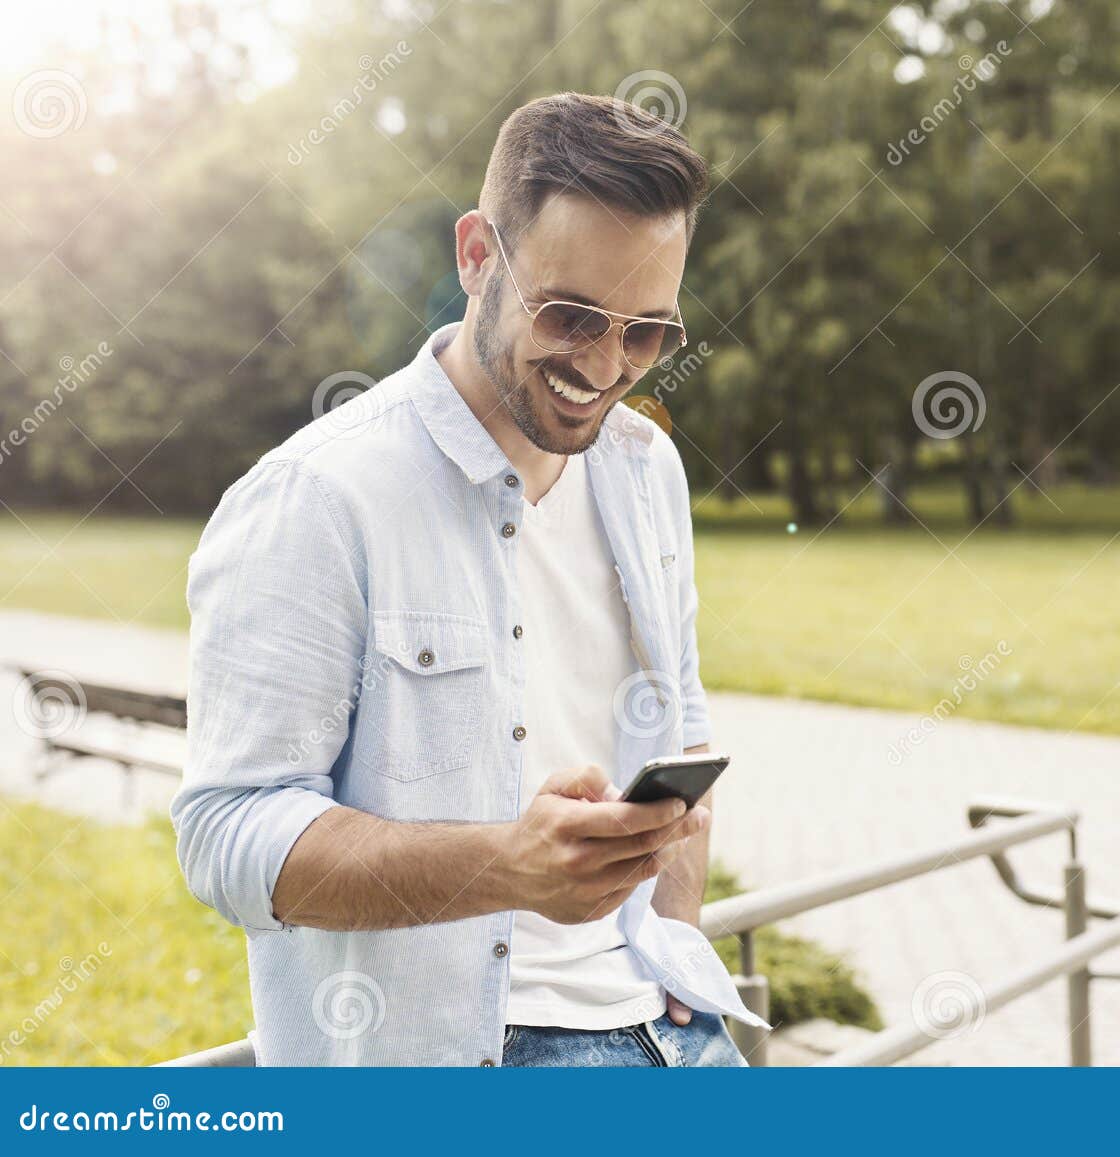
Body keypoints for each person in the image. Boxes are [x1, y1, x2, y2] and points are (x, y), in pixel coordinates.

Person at [171, 92, 763, 1066]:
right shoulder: (317, 497)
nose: (605, 365)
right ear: (478, 257)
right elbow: (228, 837)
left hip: (674, 1023)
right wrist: (507, 867)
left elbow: (683, 726)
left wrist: (676, 946)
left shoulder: (645, 467)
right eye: (572, 315)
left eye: (647, 332)